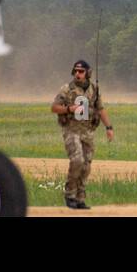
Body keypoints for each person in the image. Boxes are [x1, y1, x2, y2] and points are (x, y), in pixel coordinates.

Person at [50, 59, 113, 210]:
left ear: (87, 73)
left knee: (86, 165)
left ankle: (80, 198)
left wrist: (109, 127)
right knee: (77, 160)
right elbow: (54, 108)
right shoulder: (67, 89)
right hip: (72, 130)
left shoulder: (94, 89)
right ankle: (69, 194)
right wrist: (68, 109)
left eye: (81, 71)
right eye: (76, 71)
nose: (77, 74)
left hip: (88, 131)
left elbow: (100, 109)